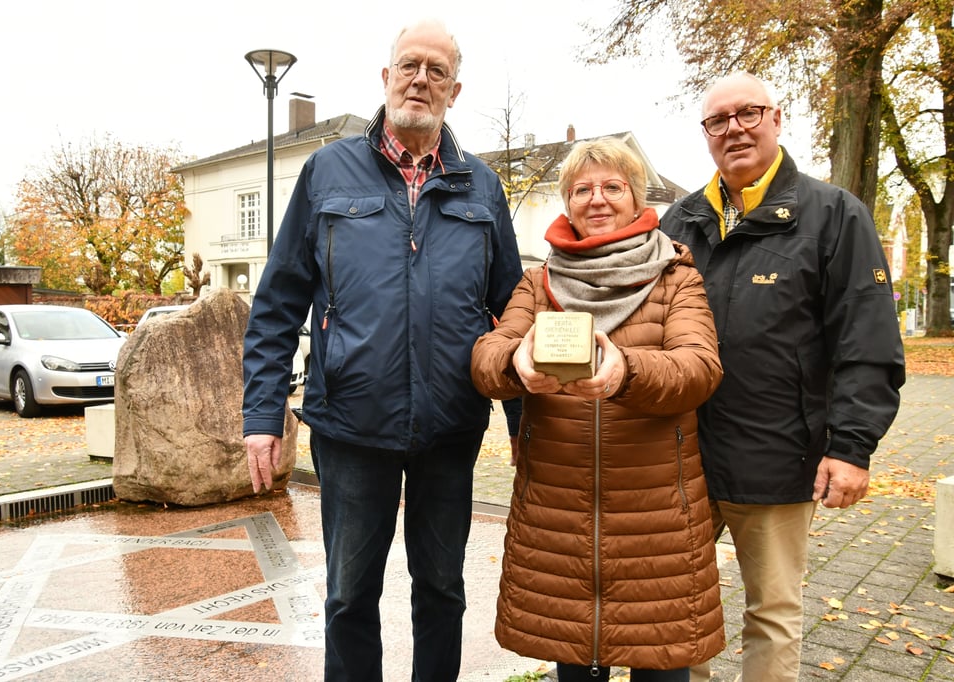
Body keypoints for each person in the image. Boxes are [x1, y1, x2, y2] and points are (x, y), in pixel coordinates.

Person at [241, 18, 523, 682]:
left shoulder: (481, 187)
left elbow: (515, 313)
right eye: (408, 66)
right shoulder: (326, 172)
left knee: (443, 593)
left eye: (436, 70)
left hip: (450, 430)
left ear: (455, 89)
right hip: (350, 428)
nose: (420, 79)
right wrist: (261, 417)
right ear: (386, 77)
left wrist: (526, 432)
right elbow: (278, 300)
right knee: (347, 599)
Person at [660, 72, 906, 682]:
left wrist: (850, 448)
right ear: (706, 135)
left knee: (771, 612)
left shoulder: (833, 216)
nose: (734, 129)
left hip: (777, 452)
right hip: (678, 454)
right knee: (676, 608)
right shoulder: (680, 219)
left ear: (777, 117)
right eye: (719, 121)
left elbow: (867, 341)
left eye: (748, 113)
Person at [471, 137, 726, 682]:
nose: (598, 199)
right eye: (582, 189)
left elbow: (699, 367)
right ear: (568, 202)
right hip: (558, 519)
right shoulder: (539, 282)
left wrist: (626, 372)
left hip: (655, 522)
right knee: (575, 669)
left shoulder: (674, 277)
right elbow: (486, 356)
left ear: (637, 199)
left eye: (614, 187)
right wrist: (516, 364)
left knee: (661, 667)